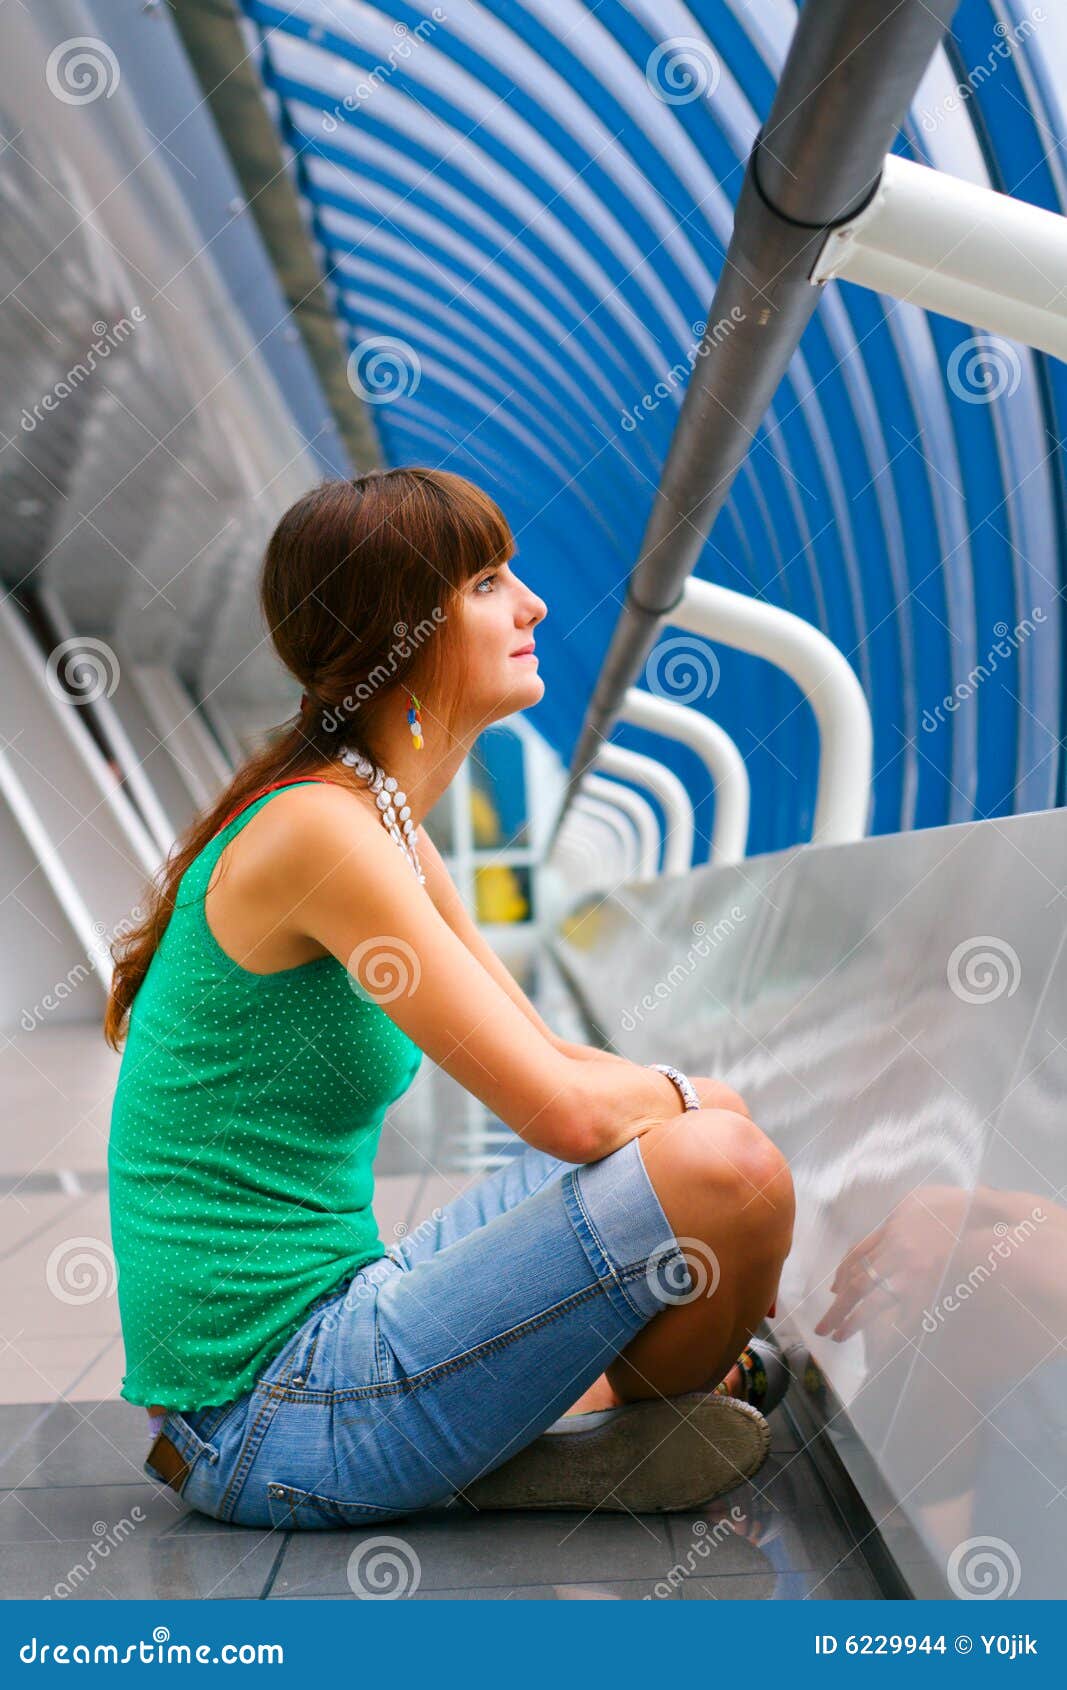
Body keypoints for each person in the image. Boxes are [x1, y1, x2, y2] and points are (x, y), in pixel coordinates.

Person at [104, 468, 795, 1529]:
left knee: (716, 1139)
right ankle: (579, 1435)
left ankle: (539, 1438)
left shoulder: (380, 821)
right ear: (400, 628)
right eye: (485, 582)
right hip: (261, 1418)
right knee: (727, 1171)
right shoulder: (316, 833)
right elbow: (561, 1115)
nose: (532, 605)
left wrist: (698, 1102)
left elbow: (543, 1050)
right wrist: (696, 1117)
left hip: (337, 1317)